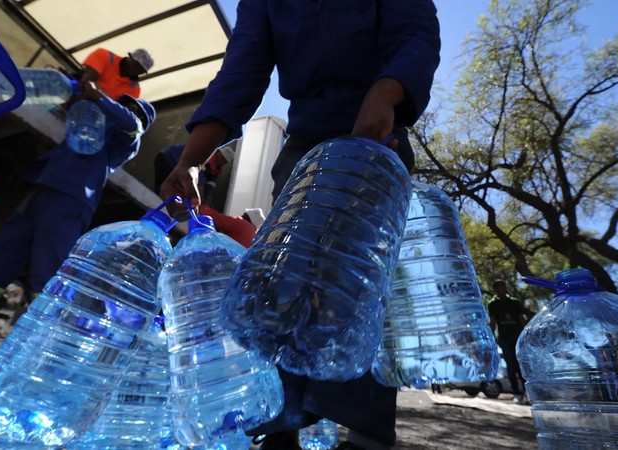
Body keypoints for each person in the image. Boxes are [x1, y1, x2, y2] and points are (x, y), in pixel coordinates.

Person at [158, 2, 440, 449]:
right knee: (286, 283)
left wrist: (386, 92)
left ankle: (367, 433)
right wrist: (193, 161)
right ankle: (281, 425)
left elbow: (416, 36)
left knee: (360, 284)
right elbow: (242, 71)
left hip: (377, 137)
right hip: (303, 151)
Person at [0, 81, 157, 374]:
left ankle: (37, 369)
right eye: (122, 103)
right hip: (40, 196)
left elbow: (131, 123)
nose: (124, 108)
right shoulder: (92, 129)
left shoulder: (126, 137)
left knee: (46, 285)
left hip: (69, 203)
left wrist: (98, 97)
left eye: (130, 106)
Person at [154, 144, 257, 248]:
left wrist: (207, 200)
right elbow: (198, 179)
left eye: (225, 162)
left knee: (170, 194)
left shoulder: (216, 167)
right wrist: (201, 201)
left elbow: (210, 185)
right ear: (218, 153)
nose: (222, 162)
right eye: (222, 159)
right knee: (166, 191)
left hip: (175, 166)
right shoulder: (208, 156)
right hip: (169, 160)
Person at [488, 279, 533, 405]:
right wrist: (492, 338)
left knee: (522, 365)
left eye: (504, 286)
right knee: (511, 366)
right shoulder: (493, 304)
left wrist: (527, 334)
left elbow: (521, 318)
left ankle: (527, 392)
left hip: (517, 337)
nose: (503, 288)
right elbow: (493, 322)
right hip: (504, 339)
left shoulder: (514, 302)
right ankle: (517, 393)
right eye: (500, 286)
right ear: (496, 289)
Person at [79, 47, 154, 100]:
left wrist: (96, 91)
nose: (136, 71)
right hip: (77, 93)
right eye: (136, 64)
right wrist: (107, 101)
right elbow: (86, 81)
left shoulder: (134, 90)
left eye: (141, 71)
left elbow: (117, 111)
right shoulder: (103, 55)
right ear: (130, 57)